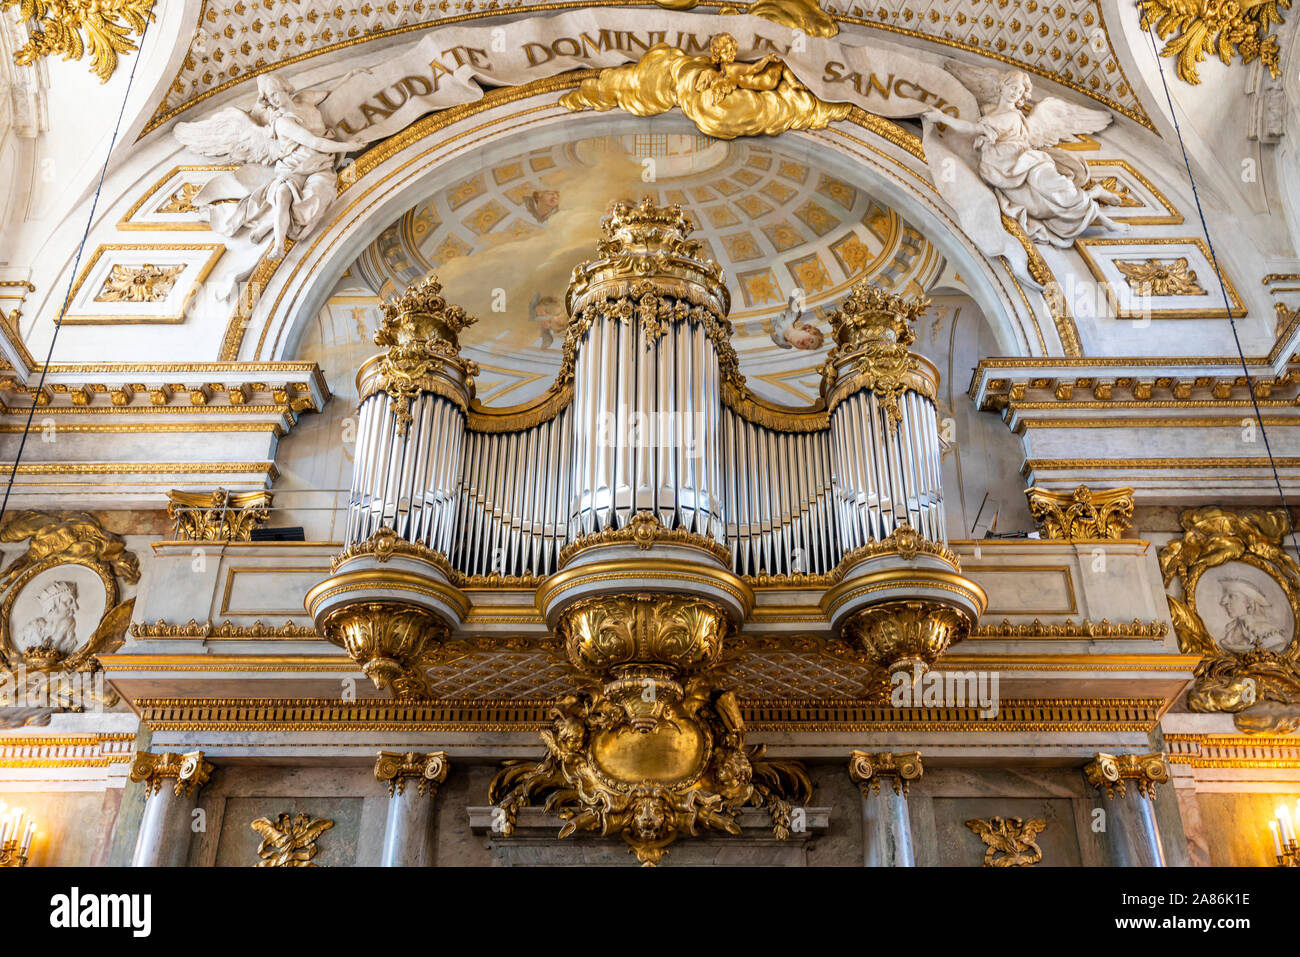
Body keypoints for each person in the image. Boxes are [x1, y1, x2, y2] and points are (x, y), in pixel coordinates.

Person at [1217, 577, 1290, 654]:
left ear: (1249, 603)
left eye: (1232, 596)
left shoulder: (1270, 635)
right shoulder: (1231, 636)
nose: (1223, 602)